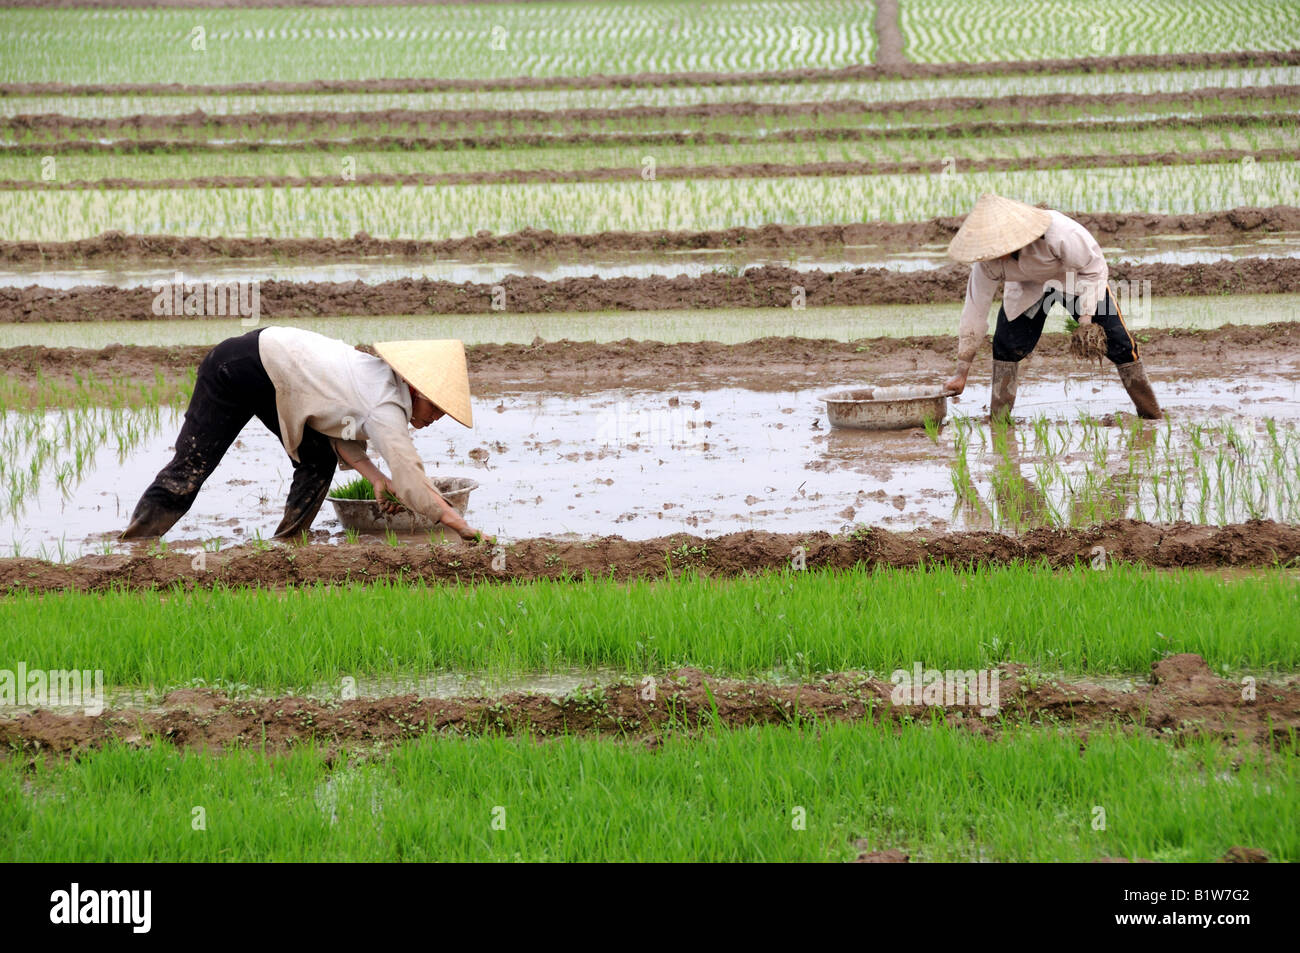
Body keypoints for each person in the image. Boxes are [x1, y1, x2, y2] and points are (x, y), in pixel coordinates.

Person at [122, 326, 489, 541]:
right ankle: (135, 544)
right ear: (413, 389)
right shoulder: (384, 404)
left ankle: (288, 543)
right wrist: (459, 524)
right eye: (436, 407)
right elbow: (410, 475)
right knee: (192, 467)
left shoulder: (378, 386)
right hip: (235, 368)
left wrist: (376, 478)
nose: (438, 417)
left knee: (317, 457)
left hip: (271, 372)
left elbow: (338, 430)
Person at [942, 193, 1162, 422]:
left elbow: (1094, 267)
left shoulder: (1060, 233)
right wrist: (962, 372)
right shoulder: (987, 263)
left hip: (1075, 280)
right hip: (1027, 288)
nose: (992, 253)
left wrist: (1086, 319)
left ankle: (1151, 414)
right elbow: (975, 311)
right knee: (1006, 346)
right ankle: (999, 420)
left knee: (1119, 343)